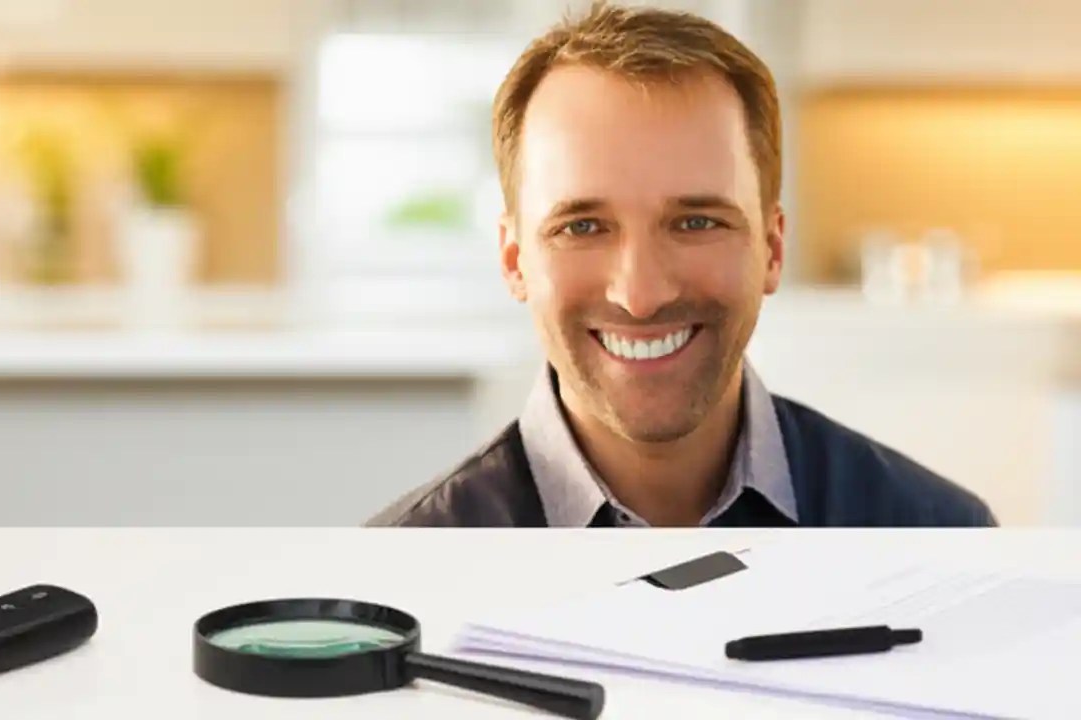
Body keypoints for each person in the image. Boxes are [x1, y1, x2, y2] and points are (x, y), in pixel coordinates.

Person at [367, 2, 996, 527]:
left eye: (697, 222)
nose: (641, 294)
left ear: (772, 249)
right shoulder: (403, 569)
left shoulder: (939, 532)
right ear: (515, 260)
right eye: (582, 227)